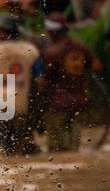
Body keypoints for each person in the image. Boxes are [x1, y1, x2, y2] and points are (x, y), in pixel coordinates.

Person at [37, 13, 96, 152]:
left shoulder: (51, 52)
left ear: (52, 31)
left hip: (58, 105)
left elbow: (45, 80)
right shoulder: (80, 47)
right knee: (73, 151)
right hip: (79, 103)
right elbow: (97, 65)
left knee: (57, 153)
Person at [0, 14, 42, 155]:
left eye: (0, 31)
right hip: (23, 104)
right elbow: (39, 78)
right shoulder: (30, 50)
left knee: (2, 146)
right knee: (23, 143)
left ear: (6, 32)